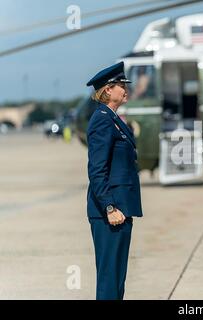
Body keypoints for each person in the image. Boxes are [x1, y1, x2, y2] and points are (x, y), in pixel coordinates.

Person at [86, 61, 143, 300]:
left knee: (118, 277)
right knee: (110, 277)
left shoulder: (113, 118)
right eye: (121, 85)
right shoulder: (101, 119)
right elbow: (97, 169)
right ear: (108, 90)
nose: (125, 89)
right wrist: (109, 206)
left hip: (121, 207)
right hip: (110, 210)